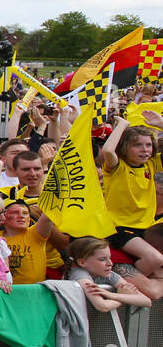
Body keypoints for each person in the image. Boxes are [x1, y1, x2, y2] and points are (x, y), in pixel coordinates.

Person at [99, 118, 163, 277]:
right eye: (137, 145)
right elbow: (107, 151)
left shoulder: (151, 164)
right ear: (125, 146)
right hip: (118, 227)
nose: (145, 149)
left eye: (148, 145)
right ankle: (123, 284)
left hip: (146, 228)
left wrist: (160, 124)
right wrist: (122, 125)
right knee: (155, 259)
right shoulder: (117, 166)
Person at [67, 237, 158, 310]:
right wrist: (124, 297)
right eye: (102, 259)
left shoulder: (107, 273)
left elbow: (146, 301)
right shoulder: (79, 275)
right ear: (82, 263)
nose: (110, 263)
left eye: (110, 258)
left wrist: (112, 295)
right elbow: (103, 306)